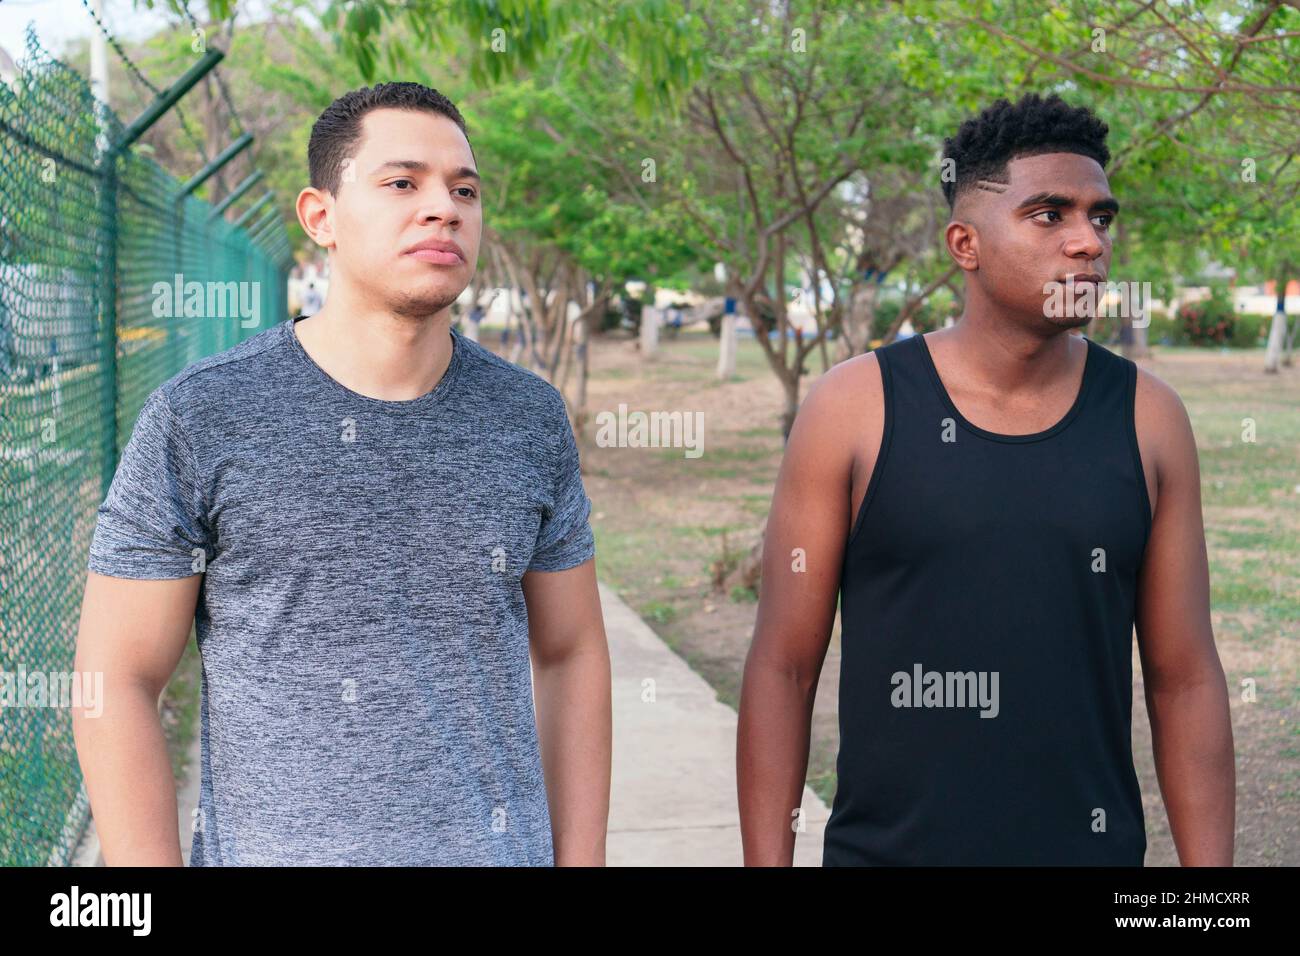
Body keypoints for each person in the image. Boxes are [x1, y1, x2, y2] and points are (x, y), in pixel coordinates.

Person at [73, 82, 612, 866]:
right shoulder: (202, 417)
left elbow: (571, 653)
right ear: (320, 216)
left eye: (464, 190)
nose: (444, 208)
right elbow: (115, 680)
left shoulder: (527, 419)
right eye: (403, 183)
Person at [737, 93, 1235, 865]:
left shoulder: (1148, 419)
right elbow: (783, 667)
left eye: (1100, 218)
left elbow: (1185, 681)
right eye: (1049, 215)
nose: (1088, 244)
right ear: (964, 243)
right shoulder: (855, 408)